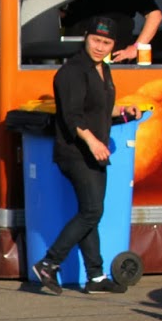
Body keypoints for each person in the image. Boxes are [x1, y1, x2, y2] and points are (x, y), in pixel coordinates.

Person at [32, 15, 131, 296]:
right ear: (86, 37)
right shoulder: (72, 72)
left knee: (91, 212)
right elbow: (72, 115)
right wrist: (92, 141)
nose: (100, 47)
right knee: (91, 211)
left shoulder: (104, 70)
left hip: (94, 152)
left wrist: (124, 112)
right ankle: (50, 263)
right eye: (96, 40)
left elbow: (99, 108)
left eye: (106, 42)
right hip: (76, 151)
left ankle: (95, 277)